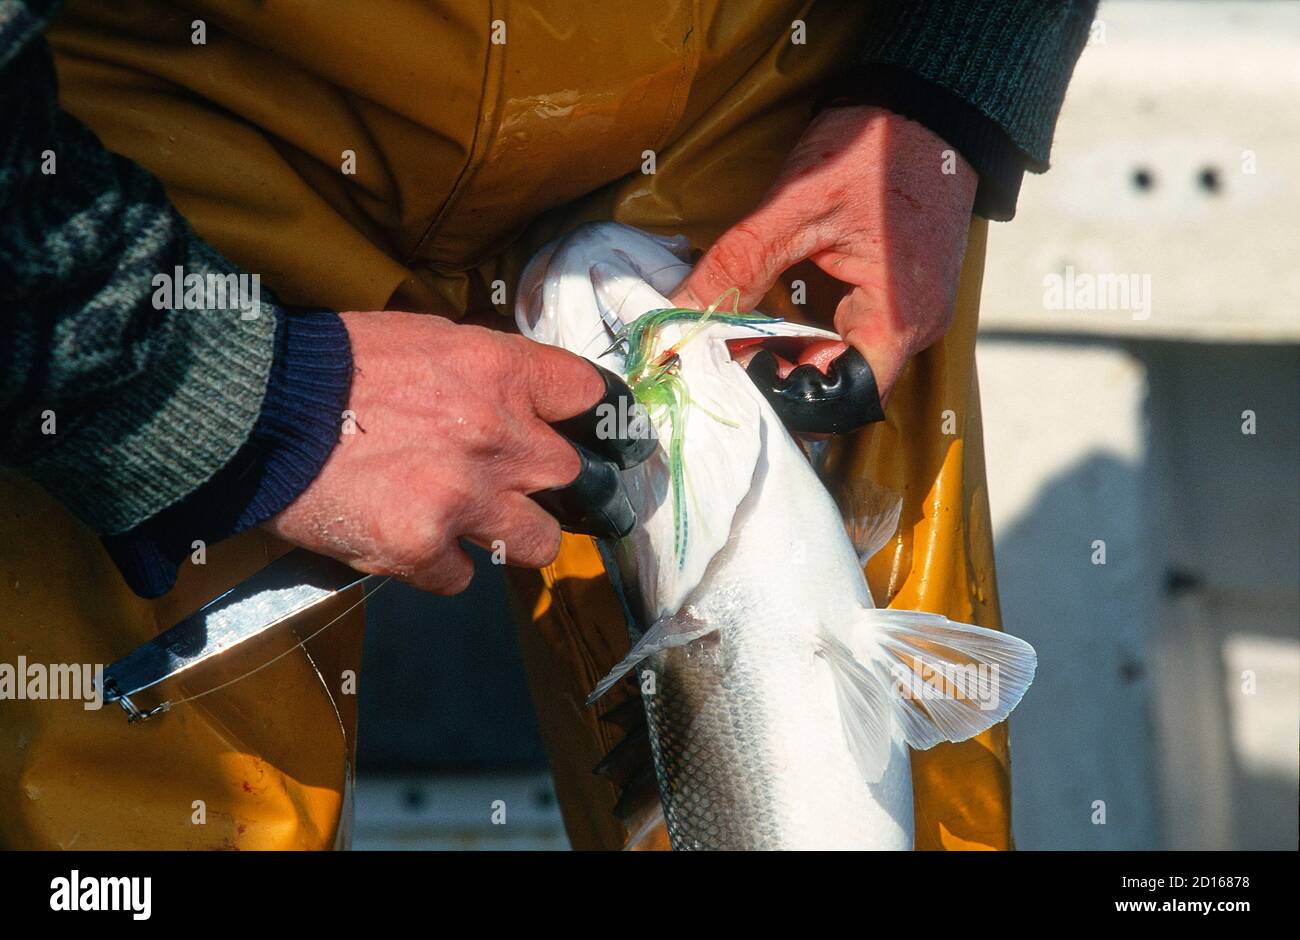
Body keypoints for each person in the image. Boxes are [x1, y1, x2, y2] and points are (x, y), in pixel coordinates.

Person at [0, 0, 1096, 849]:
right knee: (121, 829)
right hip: (141, 127)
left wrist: (952, 74)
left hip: (782, 103)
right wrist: (202, 387)